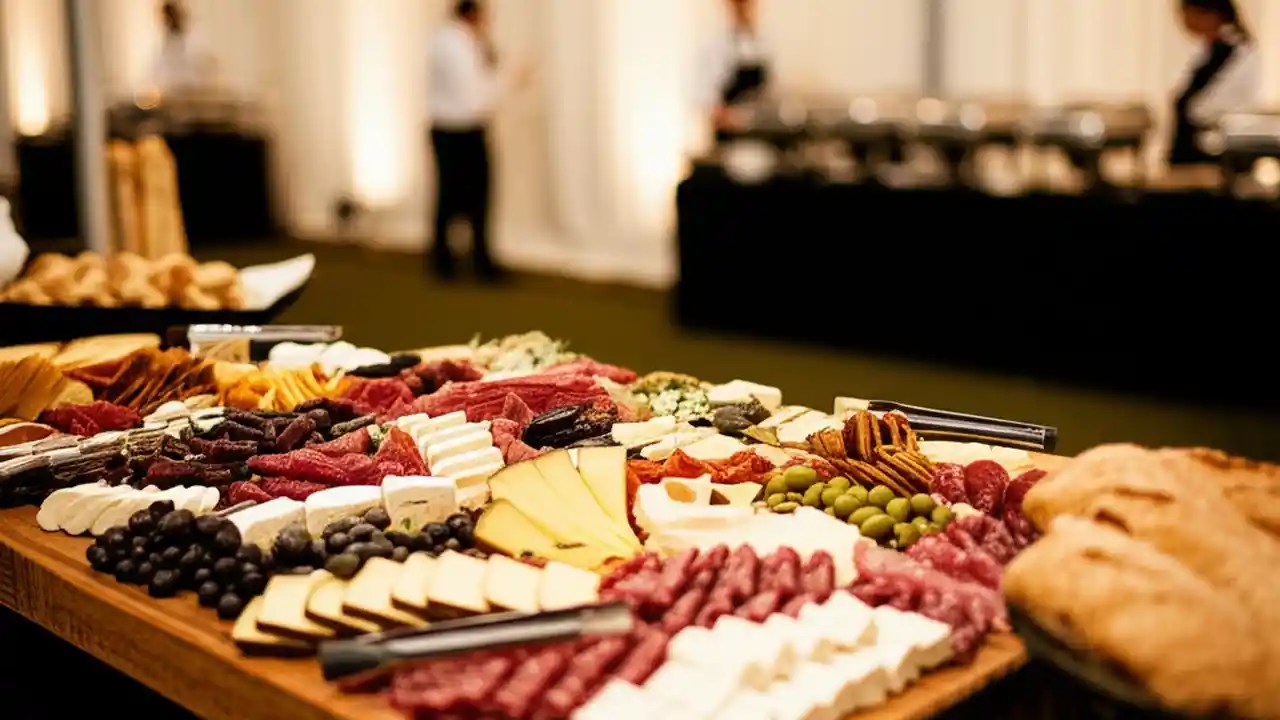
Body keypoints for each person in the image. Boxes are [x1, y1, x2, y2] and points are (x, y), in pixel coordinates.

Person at [427, 0, 508, 281]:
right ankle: (474, 262)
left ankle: (445, 260)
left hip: (448, 129)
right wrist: (507, 83)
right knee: (473, 199)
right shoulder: (459, 45)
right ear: (473, 15)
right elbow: (474, 99)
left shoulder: (442, 39)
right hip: (461, 131)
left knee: (448, 198)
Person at [1169, 0, 1261, 166]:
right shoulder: (1211, 50)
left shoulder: (1228, 51)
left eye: (1186, 14)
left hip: (1209, 151)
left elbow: (1202, 108)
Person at [695, 0, 772, 144]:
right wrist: (723, 115)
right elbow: (704, 100)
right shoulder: (713, 45)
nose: (743, 7)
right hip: (729, 138)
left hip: (759, 136)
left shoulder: (763, 44)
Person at [150, 1, 216, 97]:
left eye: (169, 16)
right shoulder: (162, 45)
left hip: (190, 95)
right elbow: (156, 73)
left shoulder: (193, 40)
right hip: (169, 95)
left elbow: (202, 68)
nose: (167, 21)